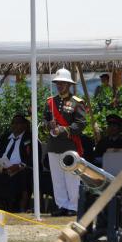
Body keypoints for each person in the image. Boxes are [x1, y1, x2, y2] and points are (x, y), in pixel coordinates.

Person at [44, 68, 87, 217]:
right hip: (53, 145)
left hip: (69, 144)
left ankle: (73, 206)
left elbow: (81, 123)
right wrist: (49, 125)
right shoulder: (50, 102)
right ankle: (61, 204)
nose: (60, 85)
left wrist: (64, 130)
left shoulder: (76, 102)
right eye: (58, 83)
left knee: (71, 177)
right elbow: (44, 120)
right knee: (57, 178)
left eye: (63, 83)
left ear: (69, 84)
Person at [0, 114, 32, 212]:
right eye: (13, 123)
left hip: (20, 168)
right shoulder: (5, 137)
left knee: (23, 176)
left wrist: (19, 166)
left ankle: (20, 208)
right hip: (2, 167)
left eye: (18, 123)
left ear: (25, 125)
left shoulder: (30, 139)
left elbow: (32, 159)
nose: (15, 125)